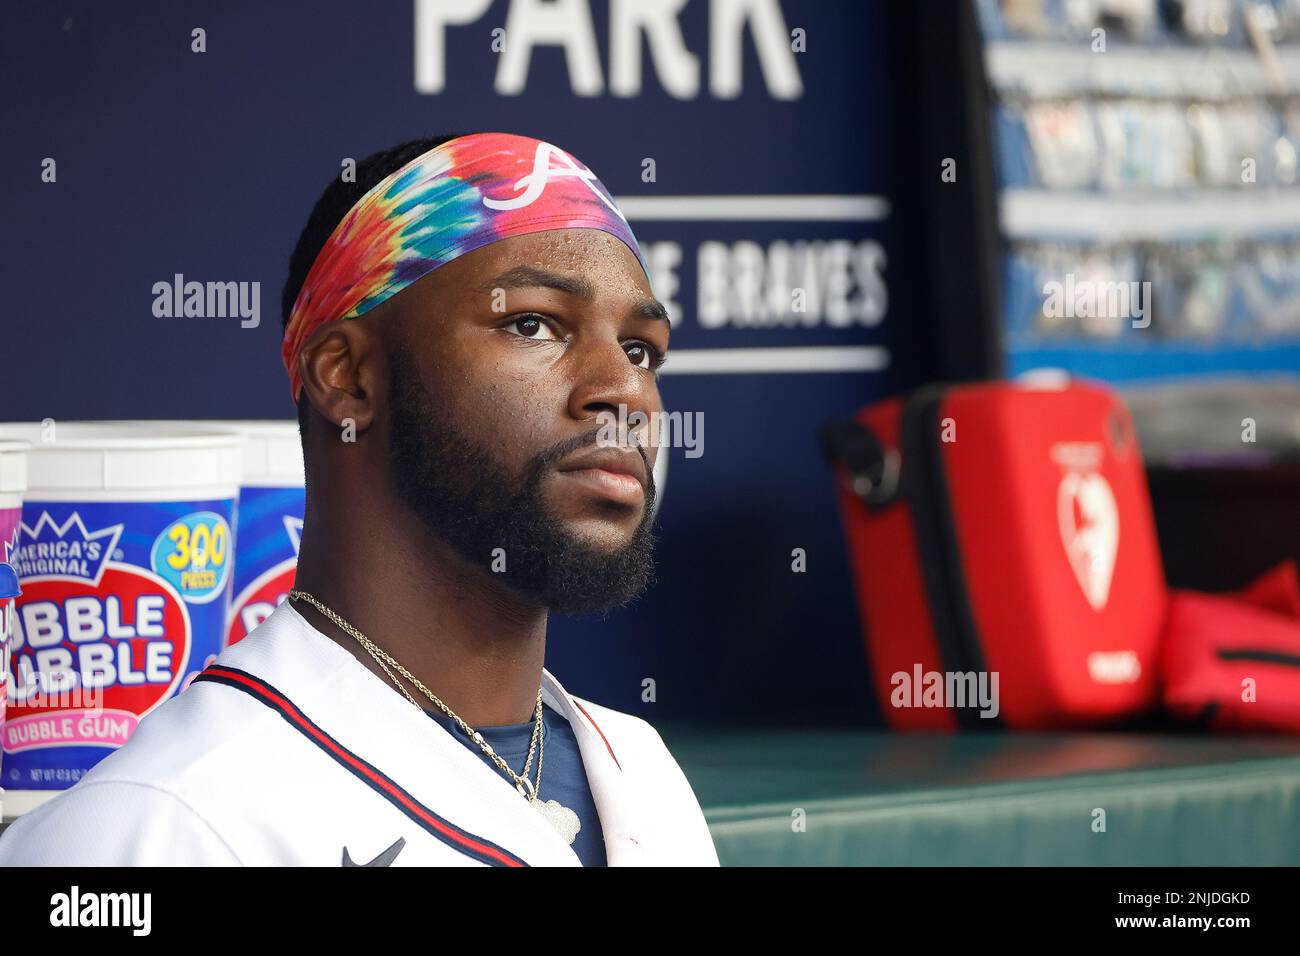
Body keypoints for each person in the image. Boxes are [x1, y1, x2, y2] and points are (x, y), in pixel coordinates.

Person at [0, 132, 718, 866]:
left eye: (641, 350)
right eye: (531, 323)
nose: (625, 390)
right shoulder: (158, 827)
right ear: (347, 378)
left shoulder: (643, 773)